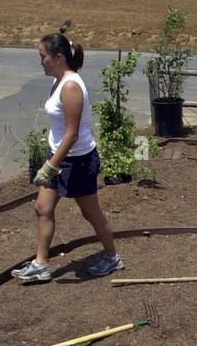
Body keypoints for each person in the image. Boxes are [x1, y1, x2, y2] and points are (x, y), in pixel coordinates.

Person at [12, 32, 122, 284]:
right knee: (42, 208)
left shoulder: (71, 86)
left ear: (58, 58)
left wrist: (51, 166)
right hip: (60, 157)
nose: (41, 62)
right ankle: (41, 265)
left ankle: (113, 257)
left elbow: (72, 134)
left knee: (91, 214)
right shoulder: (59, 80)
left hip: (77, 161)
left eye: (43, 57)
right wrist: (51, 159)